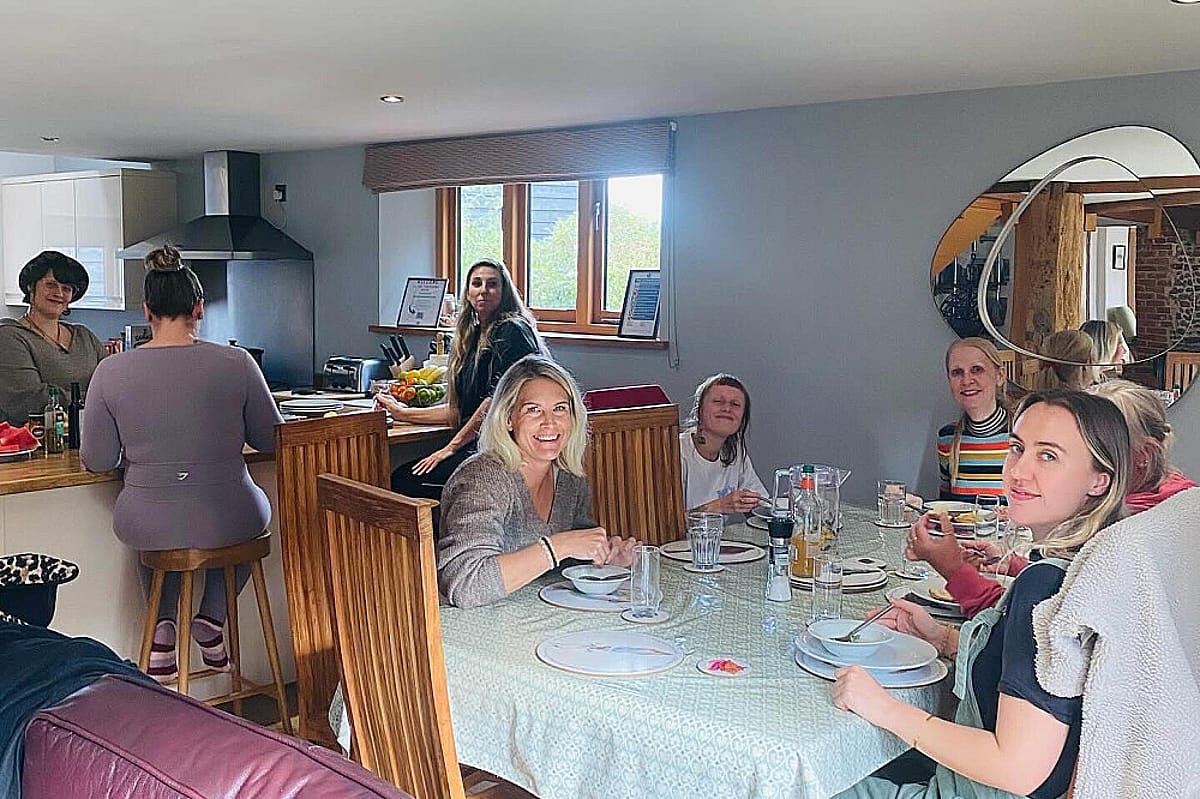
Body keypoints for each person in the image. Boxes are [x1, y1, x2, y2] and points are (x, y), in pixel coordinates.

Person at [832, 389, 1130, 799]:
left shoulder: (1042, 586)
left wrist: (883, 707)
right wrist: (944, 639)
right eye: (1018, 448)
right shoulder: (1090, 565)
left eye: (1049, 456)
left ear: (1100, 480)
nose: (1020, 472)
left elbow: (1018, 768)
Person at [80, 245, 283, 682]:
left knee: (160, 534)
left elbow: (96, 460)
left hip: (147, 520)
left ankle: (161, 628)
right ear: (200, 308)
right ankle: (211, 617)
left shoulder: (111, 371)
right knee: (250, 522)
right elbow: (271, 438)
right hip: (232, 515)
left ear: (146, 310)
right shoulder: (237, 361)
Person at [912, 378, 1197, 618]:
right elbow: (1062, 589)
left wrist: (953, 570)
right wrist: (1013, 564)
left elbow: (1030, 619)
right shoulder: (1164, 510)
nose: (1020, 472)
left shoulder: (1133, 534)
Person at [437, 355, 637, 608]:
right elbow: (465, 586)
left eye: (560, 409)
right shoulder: (482, 478)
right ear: (508, 418)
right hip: (470, 631)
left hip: (533, 620)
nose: (549, 422)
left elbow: (568, 563)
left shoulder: (568, 478)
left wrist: (604, 562)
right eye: (533, 410)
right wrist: (557, 546)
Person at [378, 258, 544, 501]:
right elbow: (459, 411)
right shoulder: (474, 335)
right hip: (483, 443)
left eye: (492, 284)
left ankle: (439, 539)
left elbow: (493, 402)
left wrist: (450, 448)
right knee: (401, 479)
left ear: (504, 291)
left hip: (505, 448)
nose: (483, 291)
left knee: (405, 483)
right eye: (477, 284)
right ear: (467, 293)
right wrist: (401, 413)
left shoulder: (512, 330)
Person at [0, 251, 106, 425]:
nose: (59, 293)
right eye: (51, 284)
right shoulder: (9, 336)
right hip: (36, 447)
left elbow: (113, 382)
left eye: (67, 288)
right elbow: (30, 401)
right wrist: (97, 399)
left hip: (86, 442)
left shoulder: (84, 336)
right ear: (30, 286)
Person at [680, 373, 768, 514]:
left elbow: (761, 502)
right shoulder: (677, 453)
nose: (727, 409)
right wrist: (717, 507)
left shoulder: (736, 451)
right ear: (698, 411)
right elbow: (664, 526)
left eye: (735, 404)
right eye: (718, 402)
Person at [936, 338, 1010, 502]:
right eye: (957, 372)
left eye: (977, 370)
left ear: (1000, 376)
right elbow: (947, 509)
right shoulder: (947, 438)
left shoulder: (1022, 436)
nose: (967, 380)